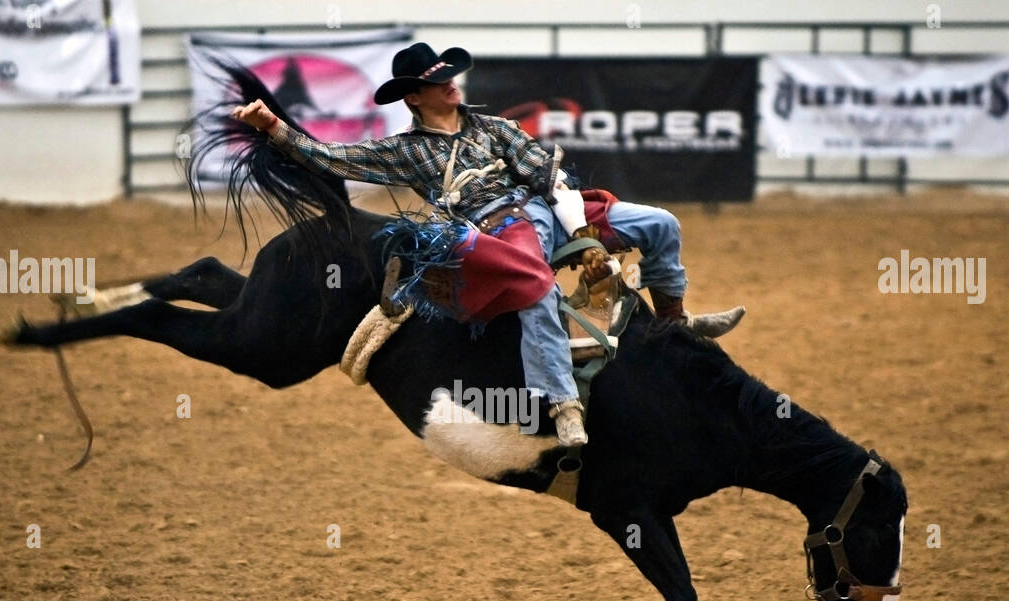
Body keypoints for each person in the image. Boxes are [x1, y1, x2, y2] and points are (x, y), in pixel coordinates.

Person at [233, 42, 742, 446]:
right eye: (436, 80)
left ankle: (674, 319)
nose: (449, 82)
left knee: (660, 224)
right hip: (493, 230)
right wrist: (275, 128)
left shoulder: (495, 128)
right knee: (536, 288)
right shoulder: (405, 152)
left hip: (550, 209)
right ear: (414, 96)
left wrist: (585, 236)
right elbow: (332, 159)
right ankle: (563, 404)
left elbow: (547, 175)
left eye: (446, 74)